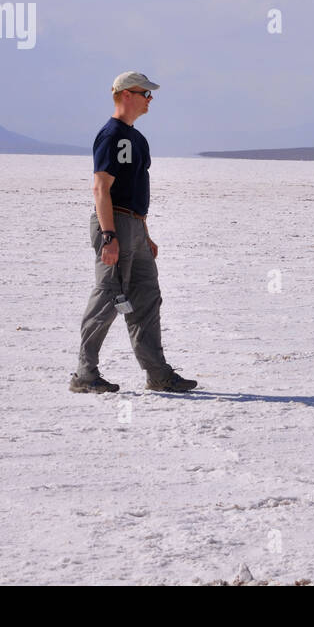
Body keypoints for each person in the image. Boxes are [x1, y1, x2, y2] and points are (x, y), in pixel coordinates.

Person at [70, 71, 197, 394]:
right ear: (127, 94)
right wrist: (109, 236)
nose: (150, 99)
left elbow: (134, 189)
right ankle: (85, 374)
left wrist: (144, 232)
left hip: (135, 226)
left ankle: (158, 374)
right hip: (115, 225)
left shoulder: (136, 138)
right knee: (108, 297)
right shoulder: (111, 135)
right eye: (146, 93)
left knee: (146, 299)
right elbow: (101, 188)